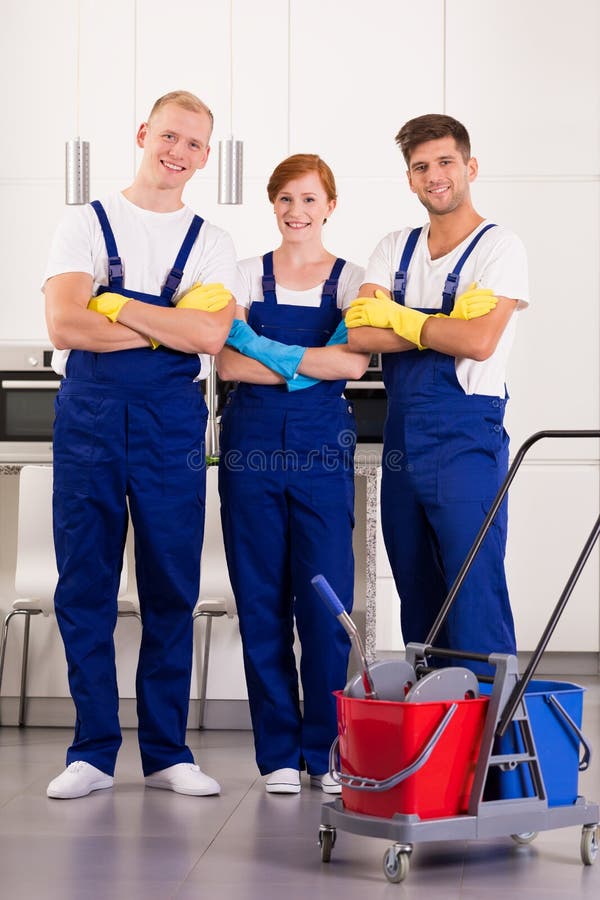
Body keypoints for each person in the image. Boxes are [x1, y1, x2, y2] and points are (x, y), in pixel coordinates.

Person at [43, 90, 237, 799]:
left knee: (170, 585)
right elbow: (66, 325)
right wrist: (171, 319)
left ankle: (167, 751)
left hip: (169, 425)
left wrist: (115, 304)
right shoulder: (84, 223)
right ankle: (92, 751)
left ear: (205, 157)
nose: (177, 152)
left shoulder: (212, 241)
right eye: (168, 136)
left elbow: (212, 337)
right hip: (89, 420)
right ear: (142, 134)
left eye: (192, 143)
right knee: (85, 584)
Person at [346, 114, 529, 673]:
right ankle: (435, 739)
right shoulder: (394, 247)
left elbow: (477, 341)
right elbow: (360, 334)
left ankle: (492, 754)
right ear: (410, 179)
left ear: (469, 167)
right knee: (417, 588)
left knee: (472, 588)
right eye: (421, 167)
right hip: (404, 437)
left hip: (465, 437)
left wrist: (398, 317)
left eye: (446, 162)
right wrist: (440, 323)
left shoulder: (499, 248)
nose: (435, 175)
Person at [216, 154, 370, 794]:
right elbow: (226, 363)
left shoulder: (355, 279)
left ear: (330, 205)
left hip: (320, 457)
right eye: (285, 200)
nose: (296, 212)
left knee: (324, 602)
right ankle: (278, 754)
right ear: (272, 206)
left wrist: (266, 351)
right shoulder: (243, 273)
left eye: (309, 200)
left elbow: (355, 364)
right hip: (250, 453)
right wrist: (312, 362)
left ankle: (327, 753)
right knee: (260, 602)